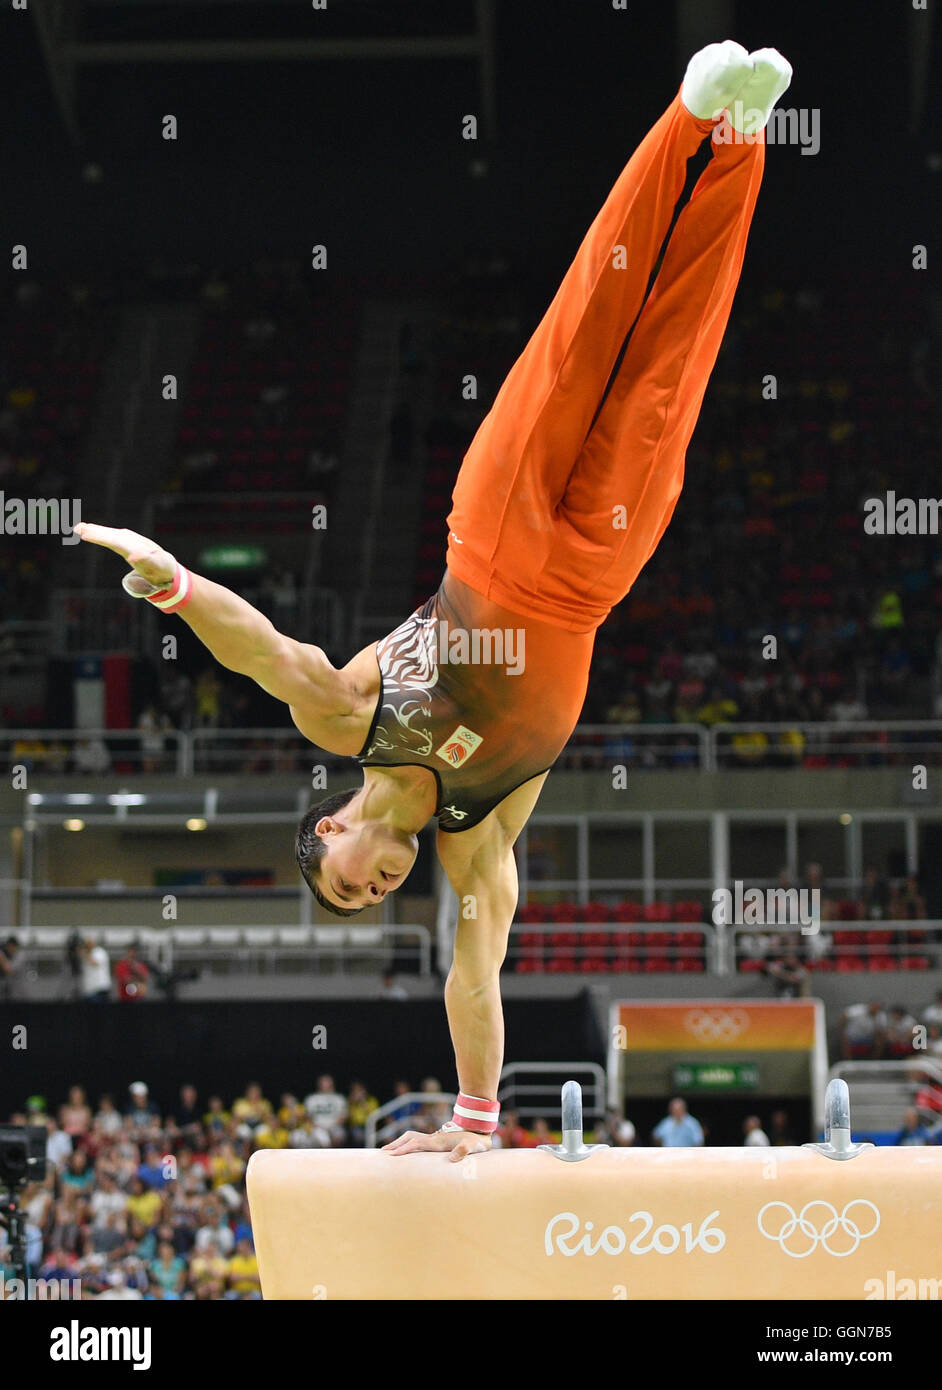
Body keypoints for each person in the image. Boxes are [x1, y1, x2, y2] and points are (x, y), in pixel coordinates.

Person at [74, 41, 793, 1161]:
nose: (379, 892)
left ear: (331, 830)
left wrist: (168, 581)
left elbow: (258, 647)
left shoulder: (348, 712)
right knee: (670, 370)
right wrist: (469, 1120)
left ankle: (687, 115)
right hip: (593, 584)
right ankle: (744, 139)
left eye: (354, 890)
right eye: (374, 905)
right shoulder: (475, 842)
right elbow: (474, 975)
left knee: (582, 335)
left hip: (495, 541)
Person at [79, 937, 112, 1002]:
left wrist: (84, 955)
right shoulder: (88, 953)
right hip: (89, 990)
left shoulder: (99, 952)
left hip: (99, 988)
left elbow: (95, 964)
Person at [0, 935, 23, 1002]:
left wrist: (1, 956)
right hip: (12, 993)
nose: (7, 949)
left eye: (8, 946)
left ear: (13, 946)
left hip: (19, 994)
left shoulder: (20, 956)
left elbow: (9, 970)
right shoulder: (12, 956)